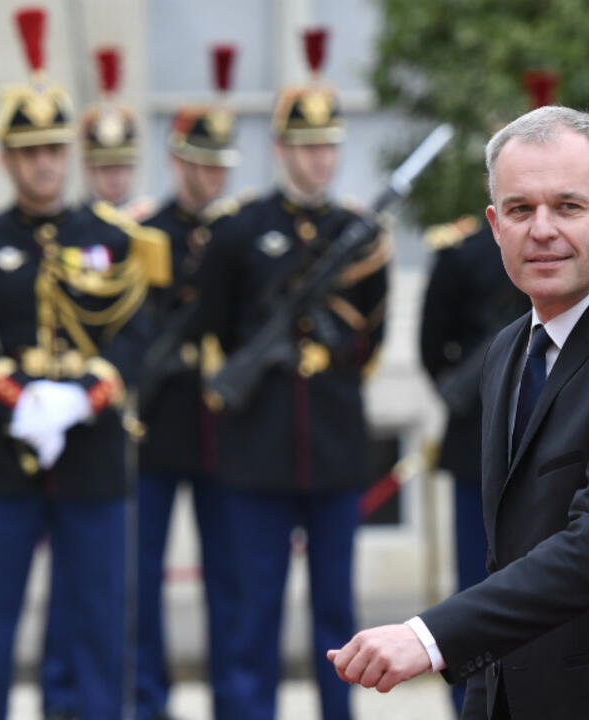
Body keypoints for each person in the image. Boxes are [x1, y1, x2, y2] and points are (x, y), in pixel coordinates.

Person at [329, 104, 589, 720]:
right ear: (496, 226)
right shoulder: (510, 350)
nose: (542, 229)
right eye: (521, 210)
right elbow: (508, 562)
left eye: (568, 206)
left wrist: (427, 636)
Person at [0, 8, 168, 720]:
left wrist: (82, 396)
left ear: (70, 153)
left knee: (97, 631)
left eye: (54, 148)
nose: (44, 163)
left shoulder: (117, 241)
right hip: (1, 459)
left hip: (92, 455)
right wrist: (15, 398)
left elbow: (136, 339)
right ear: (5, 158)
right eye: (29, 151)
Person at [190, 27, 389, 720]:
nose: (320, 159)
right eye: (306, 146)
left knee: (337, 612)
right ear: (279, 150)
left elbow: (373, 339)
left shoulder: (360, 237)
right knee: (253, 612)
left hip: (332, 447)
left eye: (329, 145)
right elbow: (211, 331)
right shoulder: (238, 232)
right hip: (257, 449)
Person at [418, 73, 542, 715]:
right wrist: (463, 394)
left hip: (549, 437)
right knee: (477, 582)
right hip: (478, 443)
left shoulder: (557, 247)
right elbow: (430, 345)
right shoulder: (462, 252)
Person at [38, 43, 147, 720]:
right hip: (55, 437)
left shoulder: (148, 237)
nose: (111, 177)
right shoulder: (72, 233)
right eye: (99, 165)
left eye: (120, 165)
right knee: (63, 605)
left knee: (112, 603)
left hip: (117, 437)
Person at [132, 44, 242, 720]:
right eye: (199, 165)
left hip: (226, 433)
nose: (211, 178)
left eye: (219, 166)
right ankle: (148, 704)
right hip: (157, 426)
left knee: (232, 585)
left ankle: (233, 705)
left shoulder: (242, 232)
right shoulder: (145, 234)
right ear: (176, 162)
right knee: (141, 582)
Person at [76, 46, 149, 216]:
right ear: (88, 168)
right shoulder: (73, 225)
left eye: (123, 165)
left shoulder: (146, 220)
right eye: (106, 167)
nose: (115, 176)